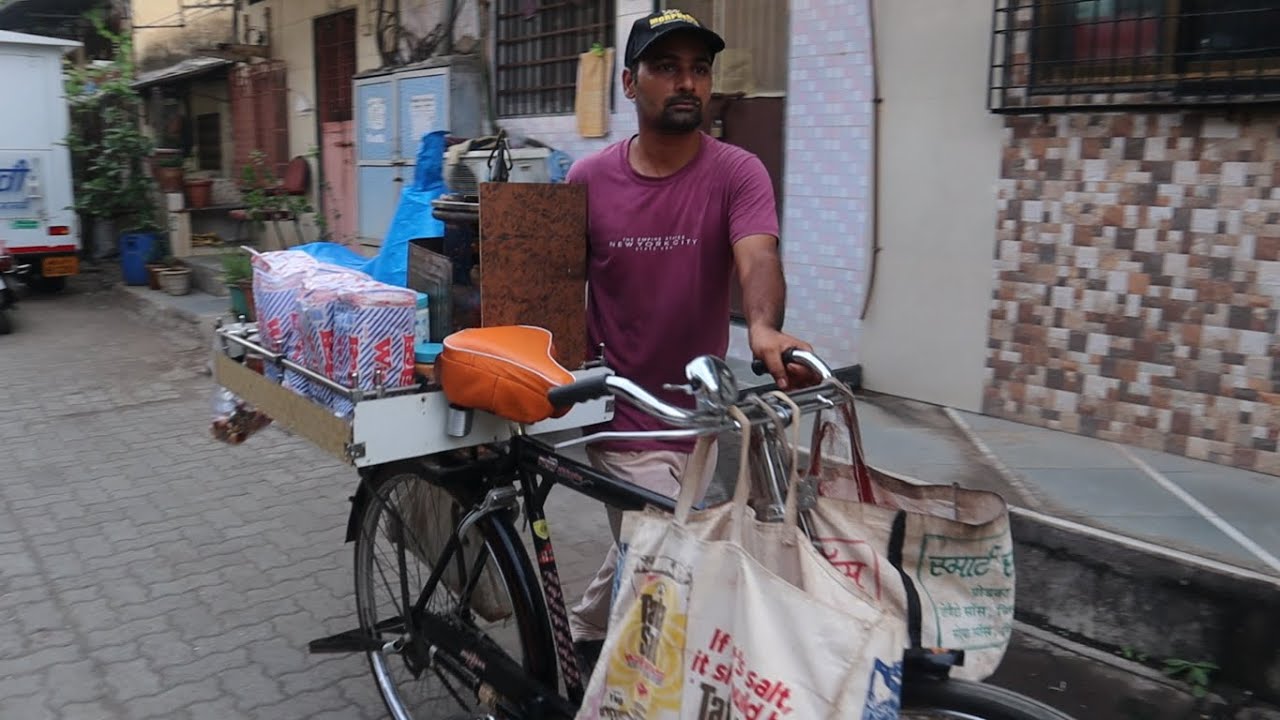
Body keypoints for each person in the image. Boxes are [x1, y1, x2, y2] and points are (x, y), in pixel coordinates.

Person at [564, 8, 814, 675]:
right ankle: (622, 681)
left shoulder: (737, 172)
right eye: (666, 67)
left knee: (680, 550)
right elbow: (555, 288)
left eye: (699, 69)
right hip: (622, 416)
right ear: (628, 83)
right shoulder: (587, 180)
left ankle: (582, 634)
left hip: (705, 415)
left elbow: (757, 256)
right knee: (677, 569)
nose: (687, 82)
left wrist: (760, 325)